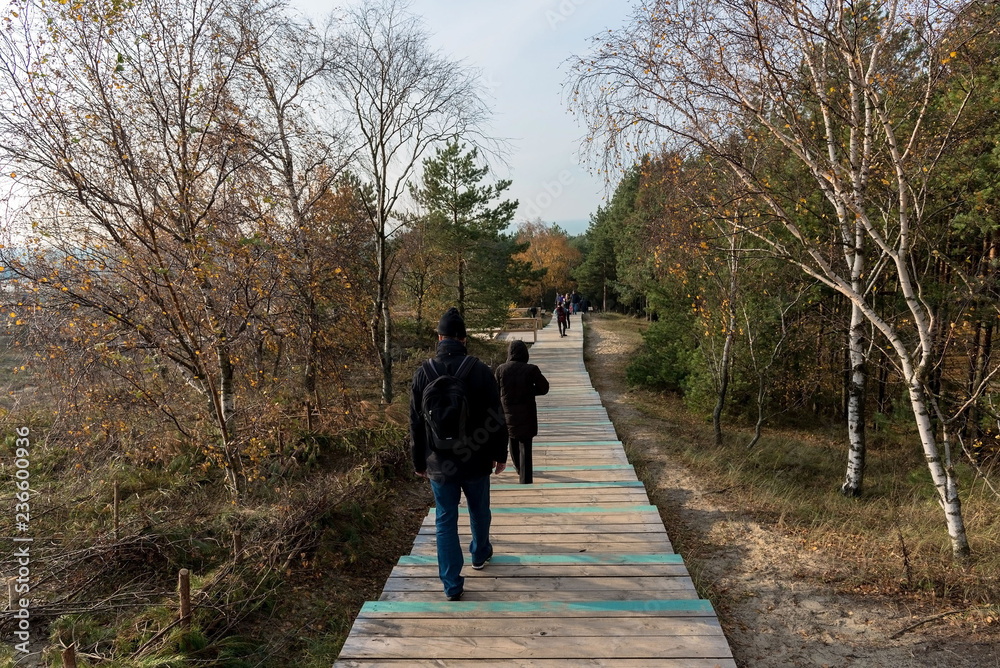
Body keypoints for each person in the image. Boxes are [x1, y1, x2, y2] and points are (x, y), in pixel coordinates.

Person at [409, 307, 508, 601]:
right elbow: (496, 416)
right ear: (464, 339)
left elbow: (414, 422)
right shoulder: (479, 370)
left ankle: (452, 584)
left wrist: (418, 461)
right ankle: (479, 554)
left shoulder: (422, 373)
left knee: (445, 519)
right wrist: (500, 454)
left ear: (439, 338)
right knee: (479, 510)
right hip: (476, 458)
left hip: (439, 463)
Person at [495, 340, 549, 484]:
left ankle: (518, 468)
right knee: (526, 445)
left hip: (508, 414)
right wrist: (531, 391)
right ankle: (526, 478)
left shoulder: (501, 369)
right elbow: (544, 388)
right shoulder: (531, 369)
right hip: (527, 414)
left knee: (512, 442)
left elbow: (496, 391)